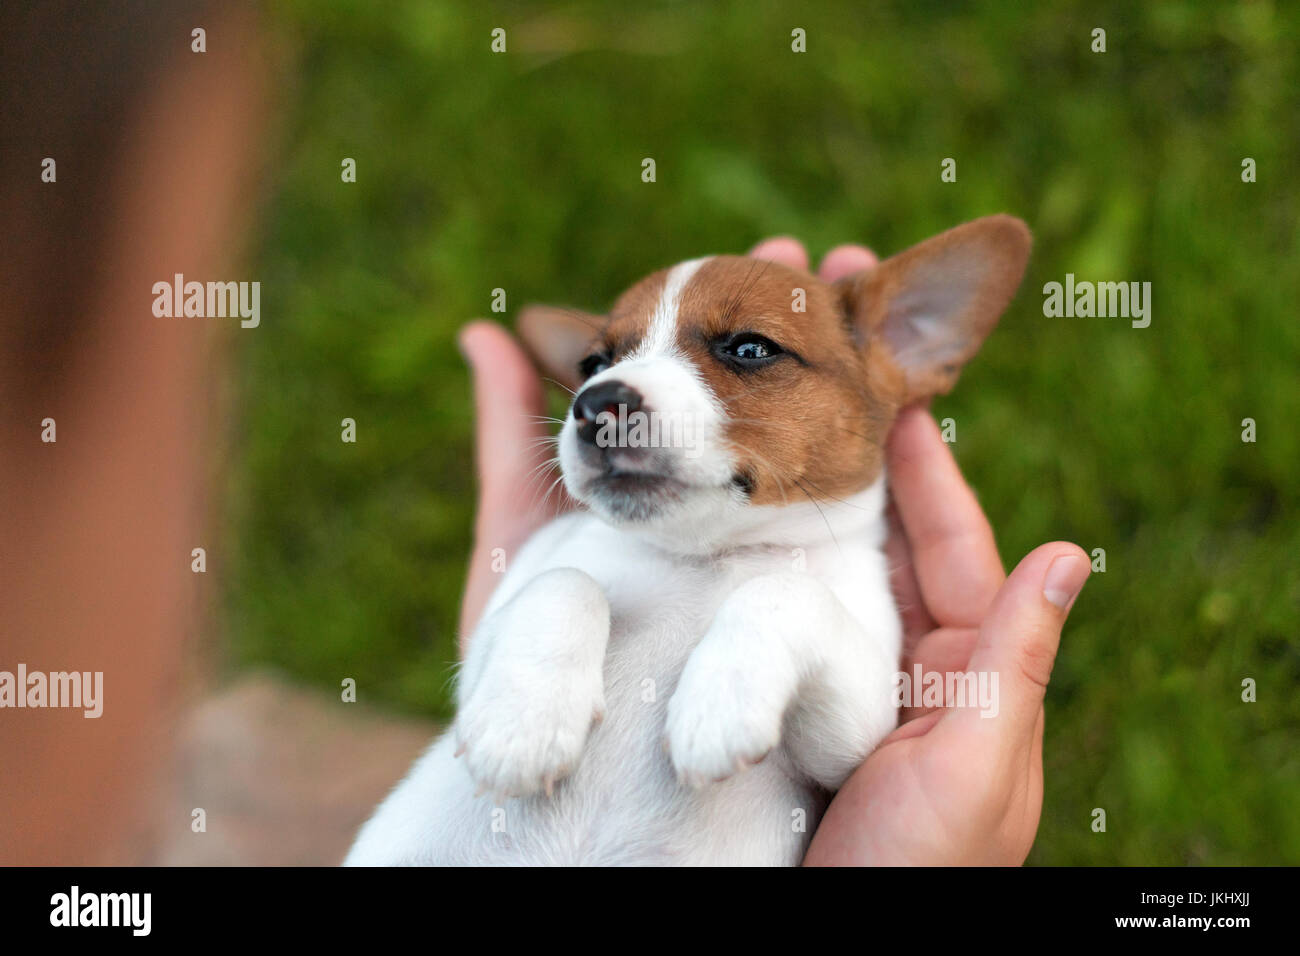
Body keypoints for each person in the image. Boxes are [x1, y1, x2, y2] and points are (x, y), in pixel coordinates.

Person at [456, 236, 1091, 865]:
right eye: (599, 365)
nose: (607, 400)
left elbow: (843, 749)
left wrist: (782, 620)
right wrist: (556, 610)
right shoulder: (574, 551)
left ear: (905, 339)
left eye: (747, 350)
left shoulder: (831, 595)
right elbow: (488, 670)